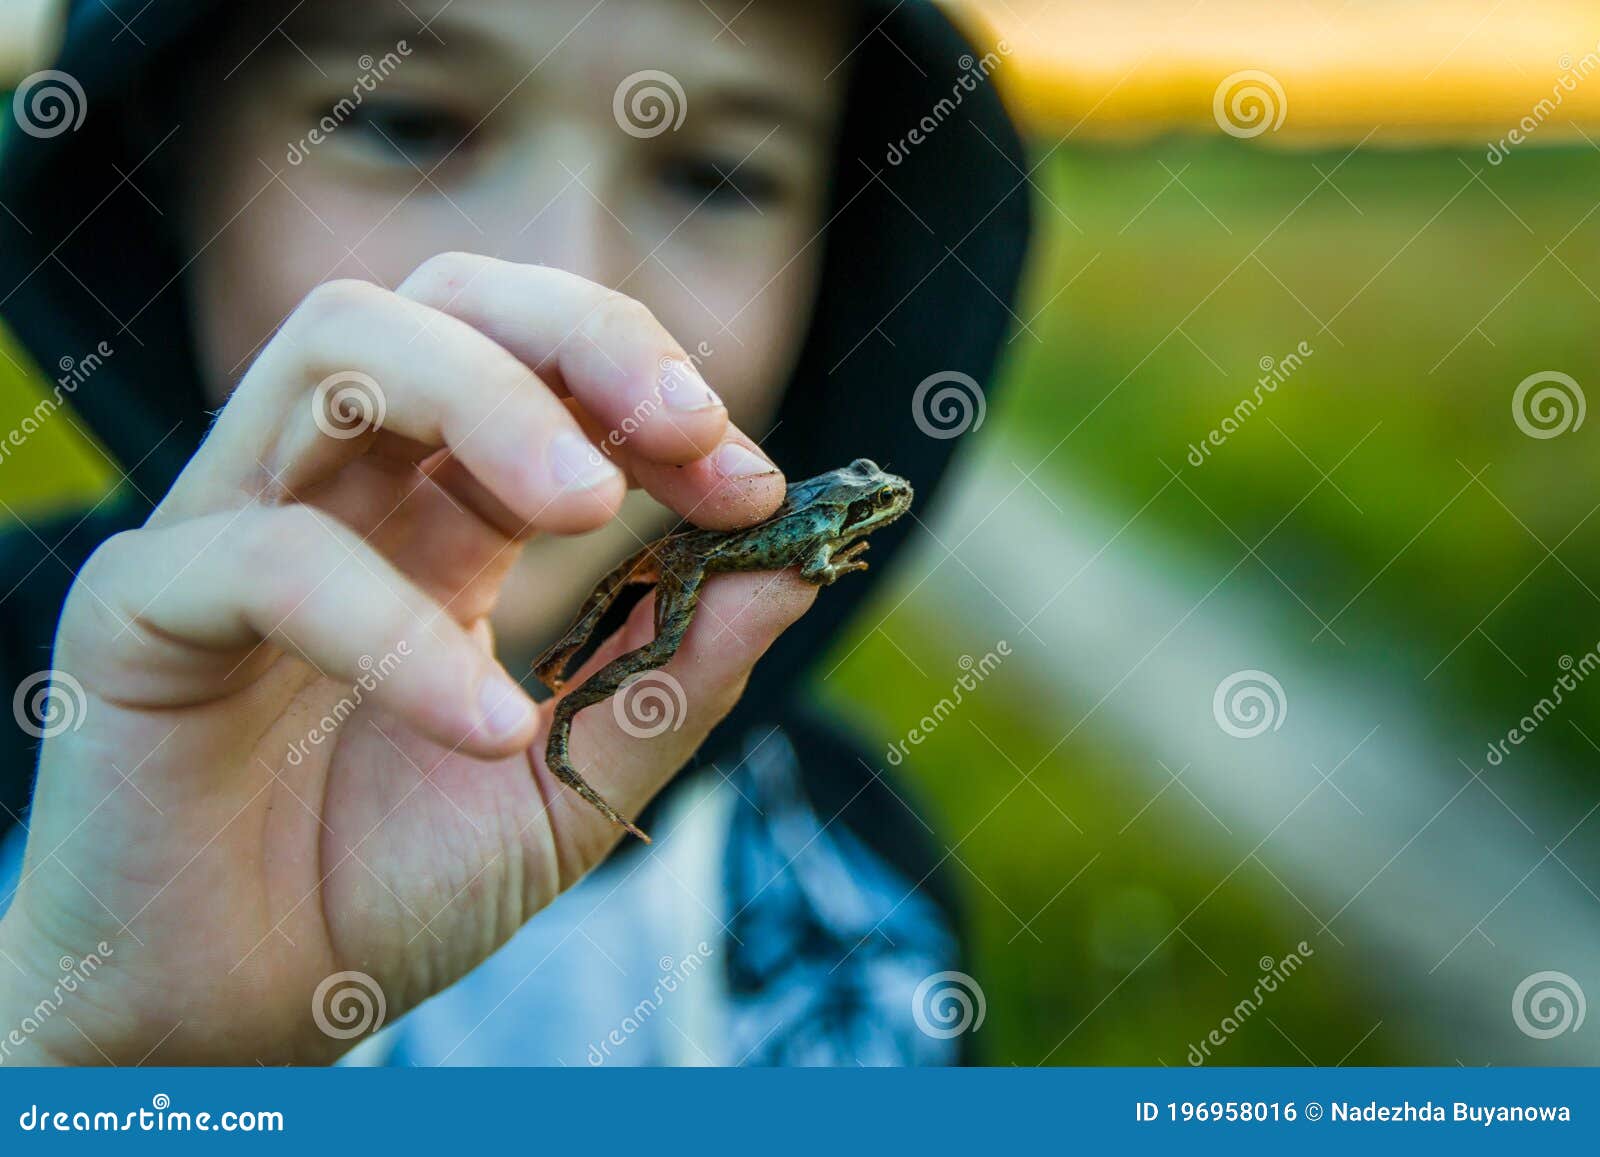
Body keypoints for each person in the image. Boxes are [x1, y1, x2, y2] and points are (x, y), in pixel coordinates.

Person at [0, 0, 1030, 1065]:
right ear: (162, 167)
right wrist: (83, 1049)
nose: (571, 295)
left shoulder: (857, 885)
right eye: (403, 119)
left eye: (716, 176)